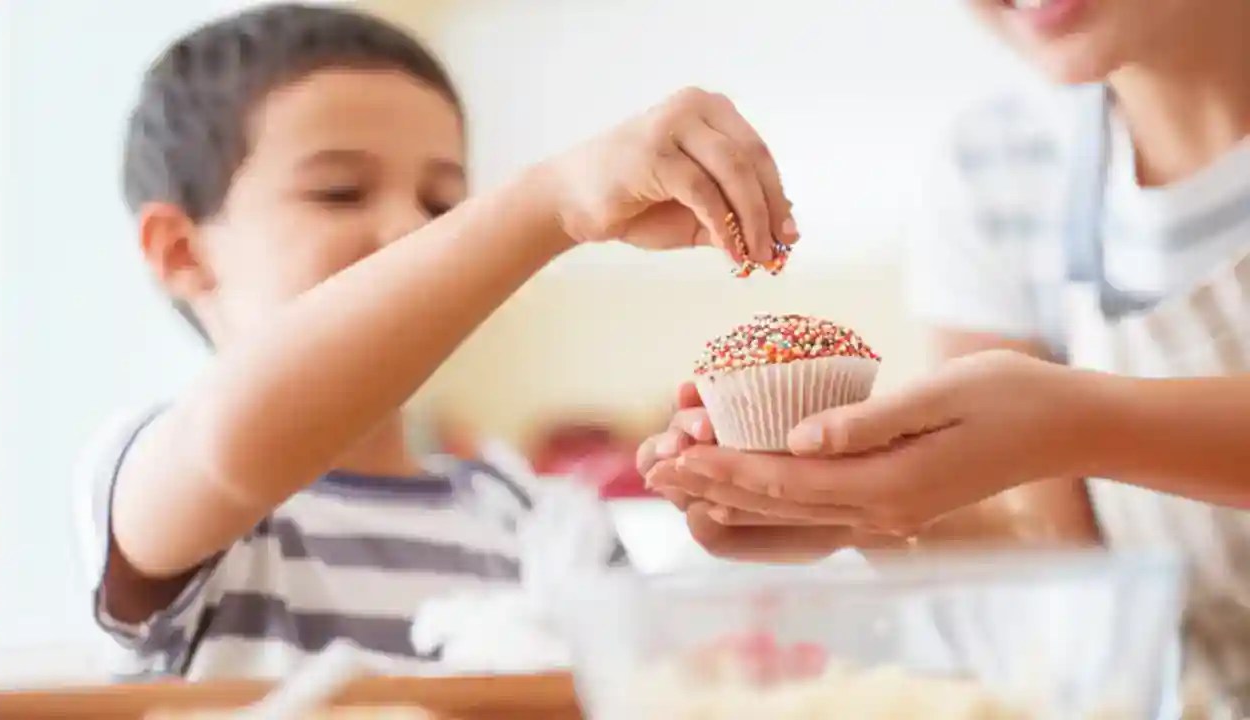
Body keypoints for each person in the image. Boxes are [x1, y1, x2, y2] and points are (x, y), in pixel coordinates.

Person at [76, 3, 794, 679]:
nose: (414, 232)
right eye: (339, 192)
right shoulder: (155, 476)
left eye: (444, 207)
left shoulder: (540, 522)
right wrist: (552, 203)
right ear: (179, 250)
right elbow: (227, 445)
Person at [638, 0, 1250, 708]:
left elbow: (1059, 430)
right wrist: (873, 511)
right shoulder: (997, 170)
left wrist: (1076, 426)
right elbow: (1069, 583)